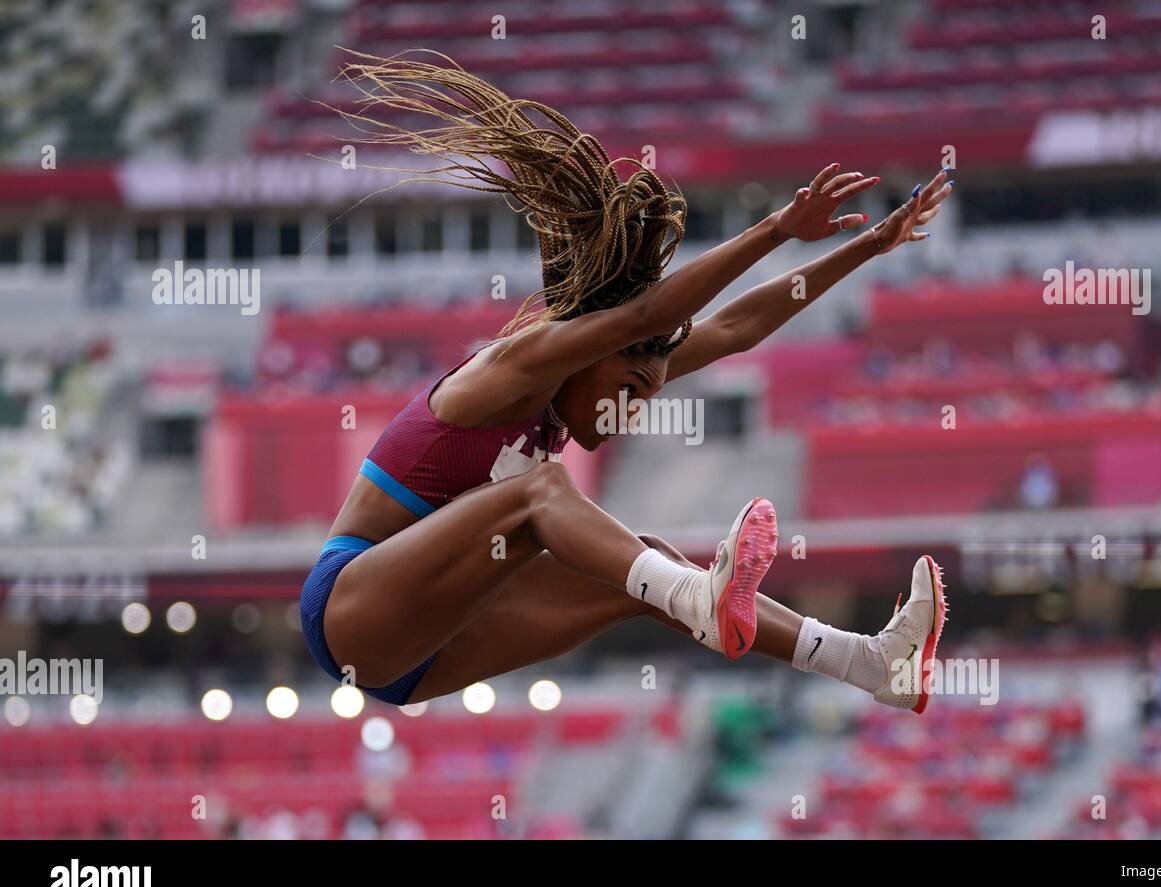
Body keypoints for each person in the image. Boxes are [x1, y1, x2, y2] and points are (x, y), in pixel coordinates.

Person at [298, 52, 951, 712]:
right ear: (594, 349)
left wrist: (870, 246)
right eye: (631, 389)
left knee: (645, 568)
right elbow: (645, 314)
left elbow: (735, 329)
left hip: (426, 650)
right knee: (548, 494)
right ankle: (703, 599)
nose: (632, 413)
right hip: (351, 609)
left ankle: (868, 662)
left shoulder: (600, 372)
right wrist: (778, 228)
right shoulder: (513, 367)